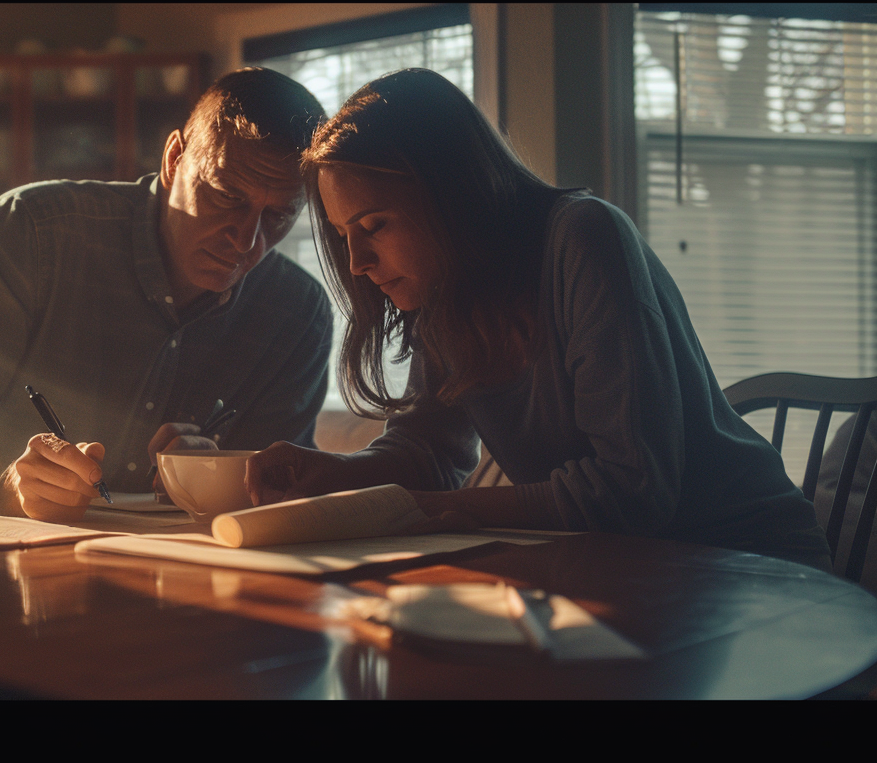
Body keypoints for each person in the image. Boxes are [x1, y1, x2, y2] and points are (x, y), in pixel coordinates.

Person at [246, 68, 832, 570]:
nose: (356, 262)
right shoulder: (442, 289)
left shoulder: (585, 238)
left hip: (748, 562)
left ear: (450, 195)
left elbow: (631, 492)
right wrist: (337, 474)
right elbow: (431, 450)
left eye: (373, 226)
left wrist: (434, 509)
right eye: (344, 235)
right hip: (624, 565)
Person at [0, 68, 331, 522]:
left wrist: (216, 477)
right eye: (227, 196)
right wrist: (5, 486)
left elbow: (280, 496)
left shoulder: (298, 313)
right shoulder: (34, 232)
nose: (247, 241)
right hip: (5, 551)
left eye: (278, 217)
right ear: (174, 159)